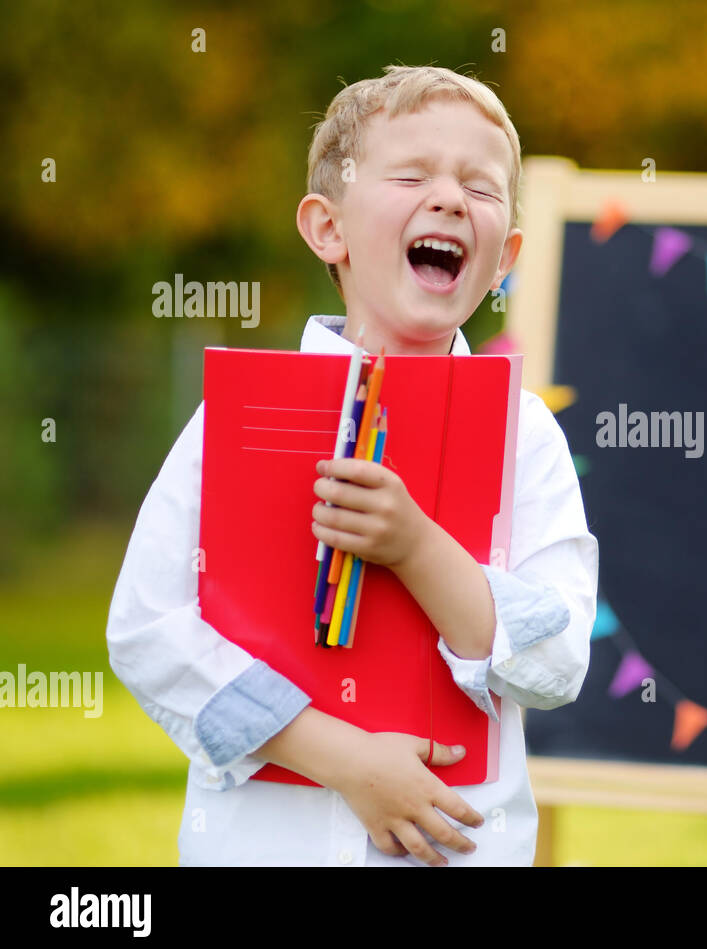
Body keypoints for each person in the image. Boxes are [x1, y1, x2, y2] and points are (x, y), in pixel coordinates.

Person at [106, 65, 599, 867]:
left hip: (455, 845)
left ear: (504, 254)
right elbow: (147, 630)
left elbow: (557, 658)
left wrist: (415, 546)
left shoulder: (526, 434)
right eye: (411, 175)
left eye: (479, 186)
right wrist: (346, 760)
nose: (447, 199)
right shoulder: (238, 415)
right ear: (327, 227)